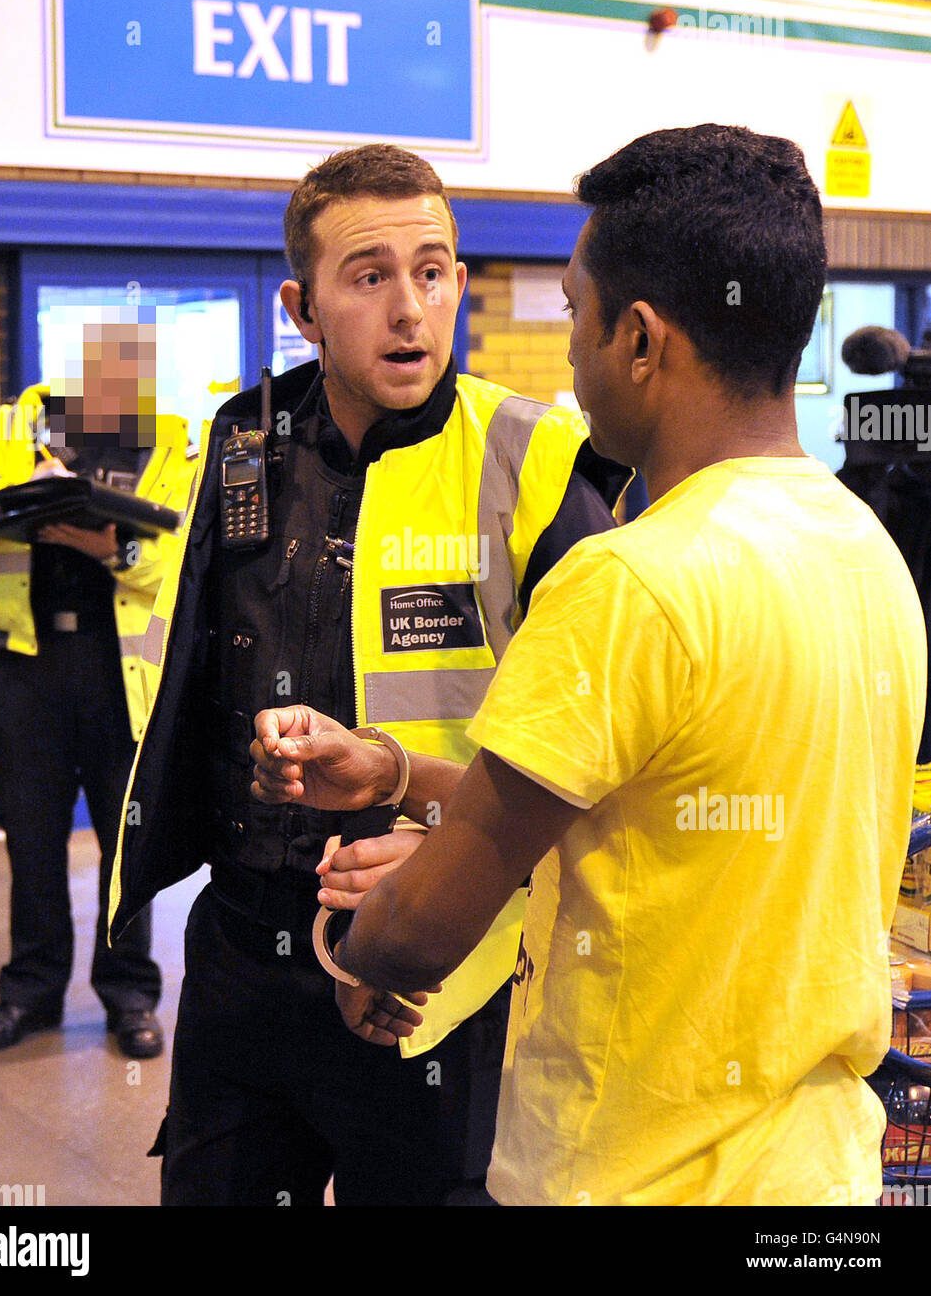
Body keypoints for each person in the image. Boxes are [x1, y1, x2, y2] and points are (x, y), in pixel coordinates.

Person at [252, 125, 928, 1206]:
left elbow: (426, 926)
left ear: (642, 340)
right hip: (817, 1180)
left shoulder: (630, 583)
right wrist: (390, 769)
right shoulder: (865, 550)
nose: (569, 349)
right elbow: (635, 795)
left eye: (575, 312)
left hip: (634, 1178)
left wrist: (358, 950)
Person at [107, 142, 625, 1205]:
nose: (409, 310)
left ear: (461, 284)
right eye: (370, 275)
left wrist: (449, 866)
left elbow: (599, 750)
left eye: (432, 272)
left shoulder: (535, 462)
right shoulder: (238, 440)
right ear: (303, 306)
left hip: (437, 966)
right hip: (245, 953)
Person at [0, 321, 195, 1058]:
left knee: (127, 843)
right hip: (30, 665)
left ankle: (129, 998)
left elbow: (175, 557)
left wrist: (107, 545)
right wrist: (28, 516)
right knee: (32, 834)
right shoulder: (19, 427)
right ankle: (30, 993)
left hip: (119, 671)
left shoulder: (173, 444)